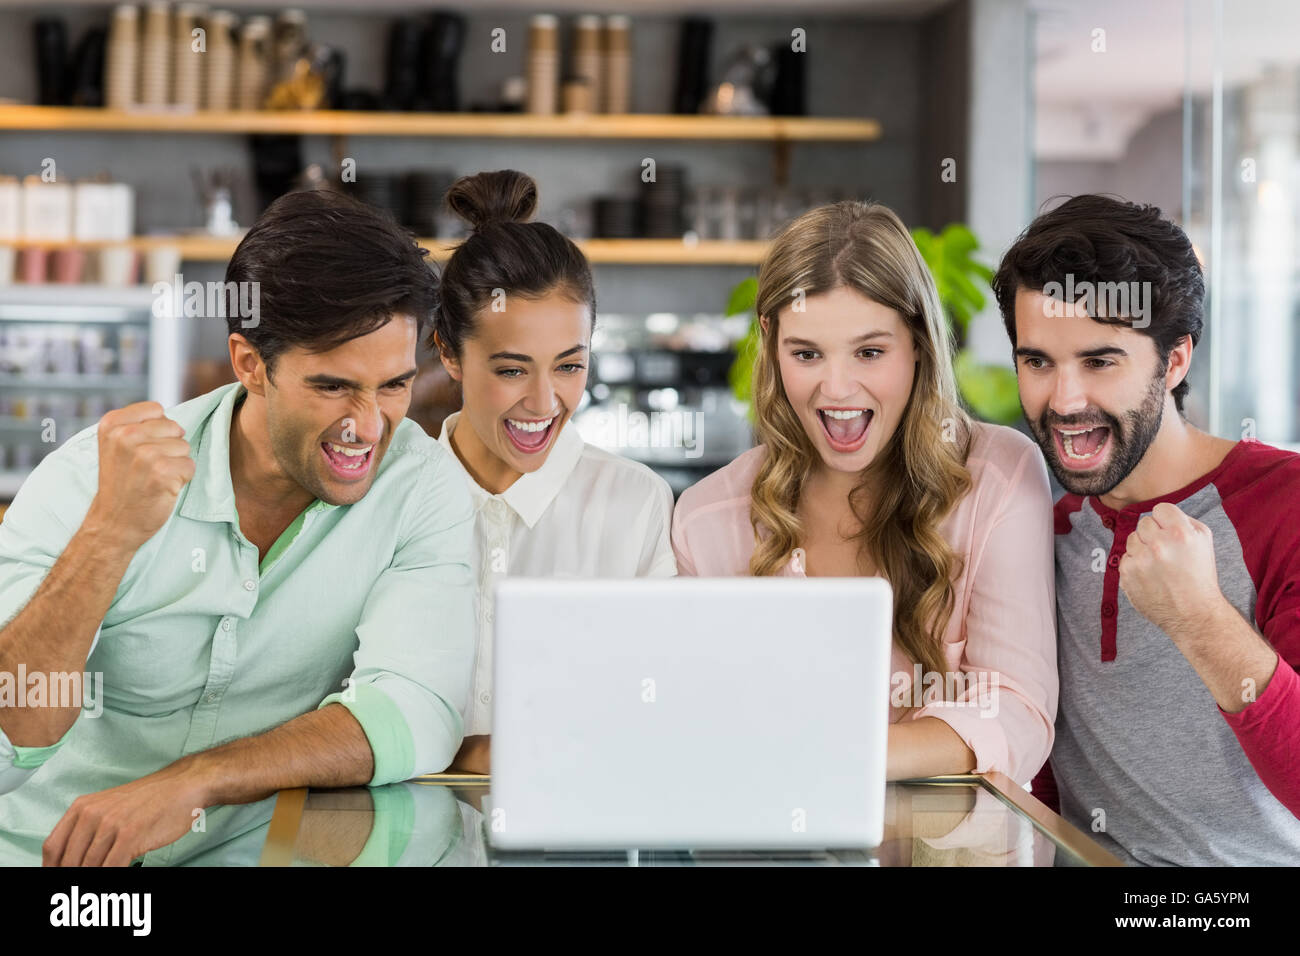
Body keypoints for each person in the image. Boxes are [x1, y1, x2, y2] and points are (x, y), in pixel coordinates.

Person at [0, 189, 475, 866]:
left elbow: (416, 714)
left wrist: (196, 781)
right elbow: (7, 744)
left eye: (394, 385)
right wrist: (107, 536)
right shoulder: (89, 478)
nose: (367, 427)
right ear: (250, 363)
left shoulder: (420, 486)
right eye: (333, 386)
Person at [672, 200, 1057, 784]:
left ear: (920, 346)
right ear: (771, 347)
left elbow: (1018, 712)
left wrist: (834, 757)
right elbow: (690, 721)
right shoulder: (706, 518)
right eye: (806, 354)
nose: (837, 387)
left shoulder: (999, 477)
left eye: (870, 352)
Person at [994, 194, 1300, 865]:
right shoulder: (1043, 531)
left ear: (1175, 362)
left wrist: (1199, 620)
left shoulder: (1286, 505)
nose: (1064, 401)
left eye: (1100, 361)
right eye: (1037, 361)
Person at [430, 170, 676, 774]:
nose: (544, 403)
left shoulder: (634, 503)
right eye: (512, 370)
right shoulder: (392, 495)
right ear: (447, 353)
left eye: (569, 367)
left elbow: (659, 708)